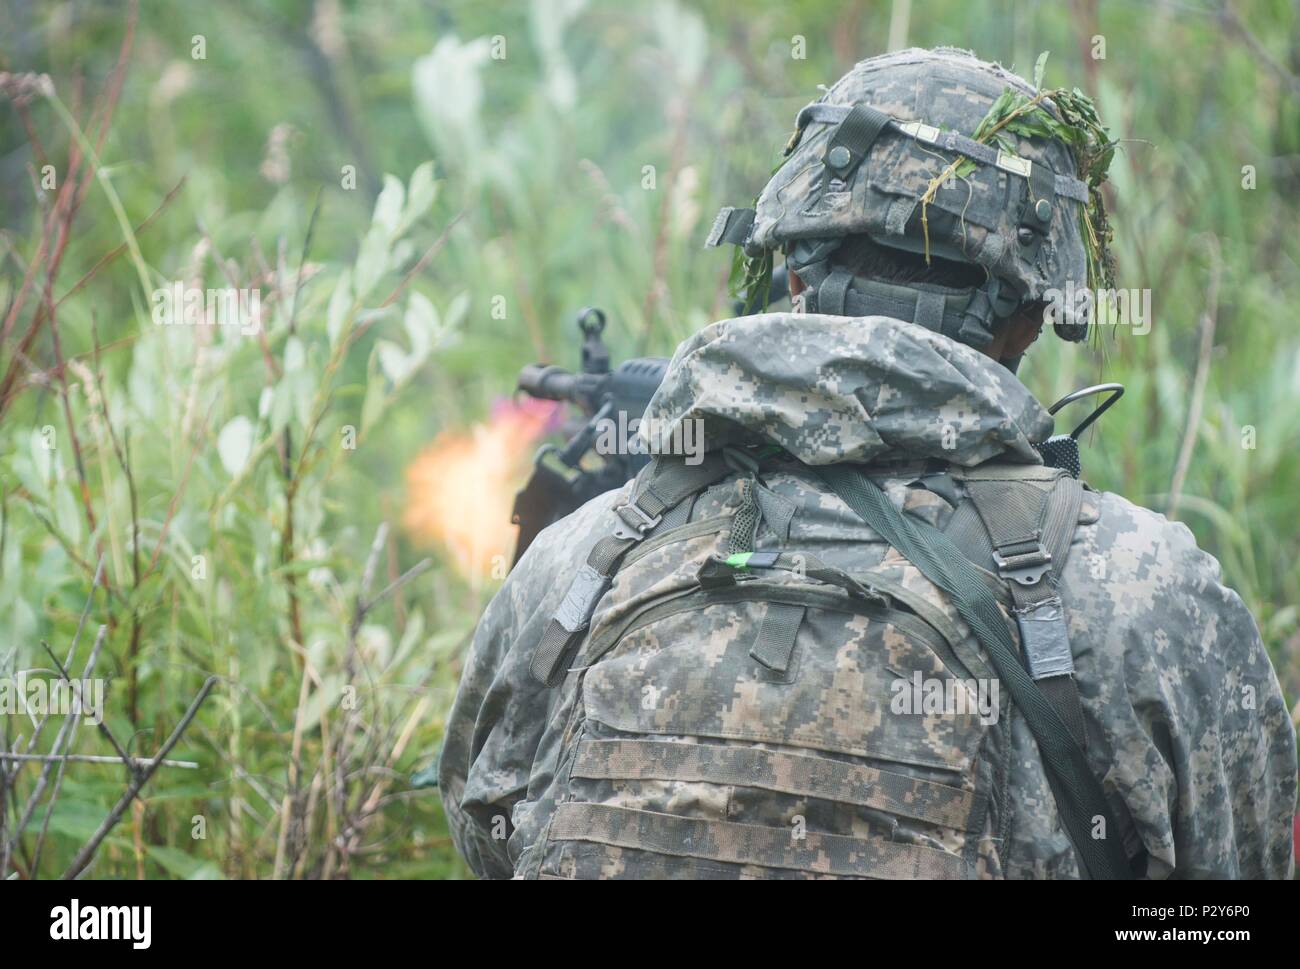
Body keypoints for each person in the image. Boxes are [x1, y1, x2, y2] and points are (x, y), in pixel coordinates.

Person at [437, 47, 1296, 879]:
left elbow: (487, 828)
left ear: (797, 272)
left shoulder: (584, 557)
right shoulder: (1148, 593)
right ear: (1033, 314)